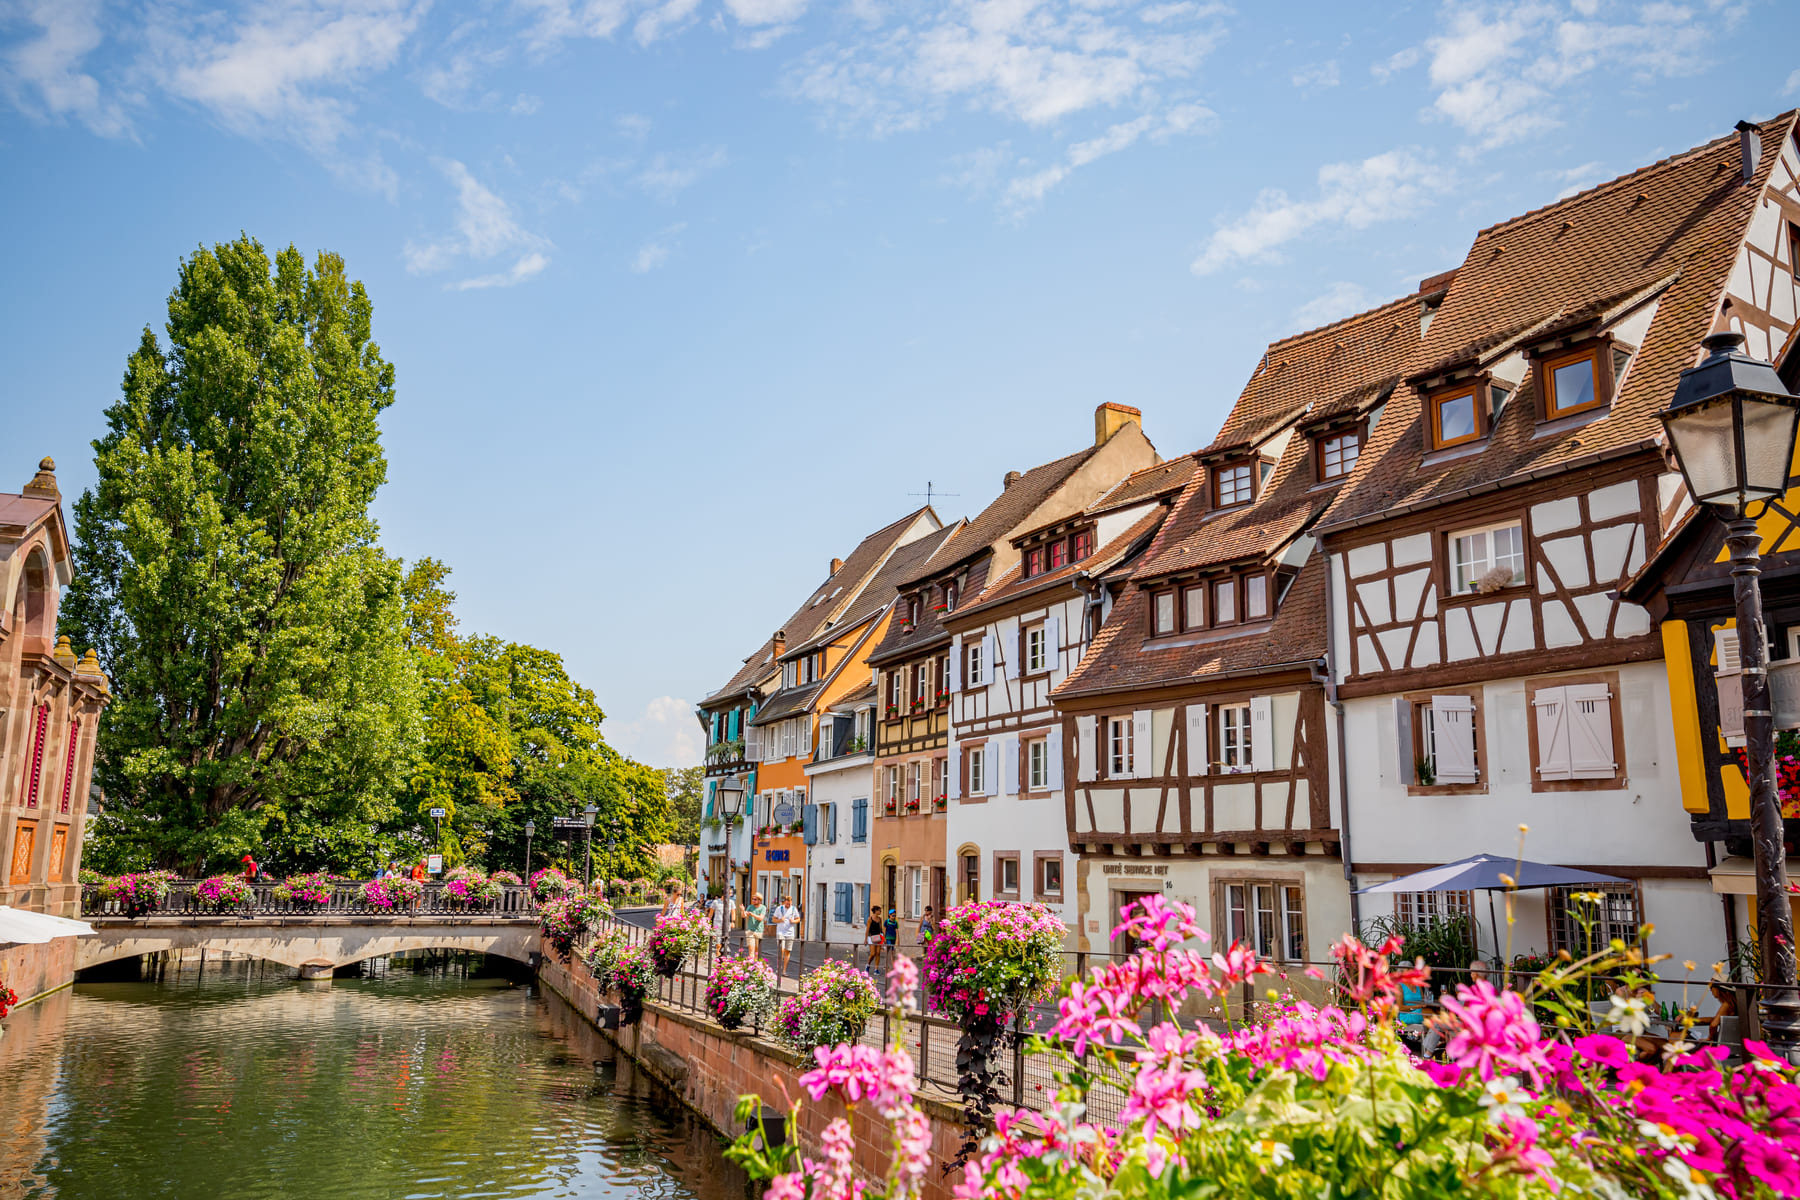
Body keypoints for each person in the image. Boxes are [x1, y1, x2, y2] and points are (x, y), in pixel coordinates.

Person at [774, 893, 802, 975]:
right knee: (781, 950)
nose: (788, 904)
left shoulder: (793, 909)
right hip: (780, 932)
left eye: (789, 903)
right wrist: (780, 920)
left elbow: (798, 919)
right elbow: (773, 919)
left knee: (787, 951)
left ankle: (784, 970)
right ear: (784, 902)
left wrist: (794, 921)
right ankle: (779, 967)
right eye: (787, 903)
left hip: (790, 933)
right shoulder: (779, 909)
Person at [744, 892, 767, 963]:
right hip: (750, 931)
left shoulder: (763, 907)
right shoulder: (750, 907)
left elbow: (760, 918)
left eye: (755, 899)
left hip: (759, 931)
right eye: (752, 899)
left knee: (757, 952)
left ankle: (756, 967)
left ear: (759, 900)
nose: (753, 900)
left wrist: (752, 914)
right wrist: (742, 910)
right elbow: (744, 915)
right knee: (751, 951)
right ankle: (751, 966)